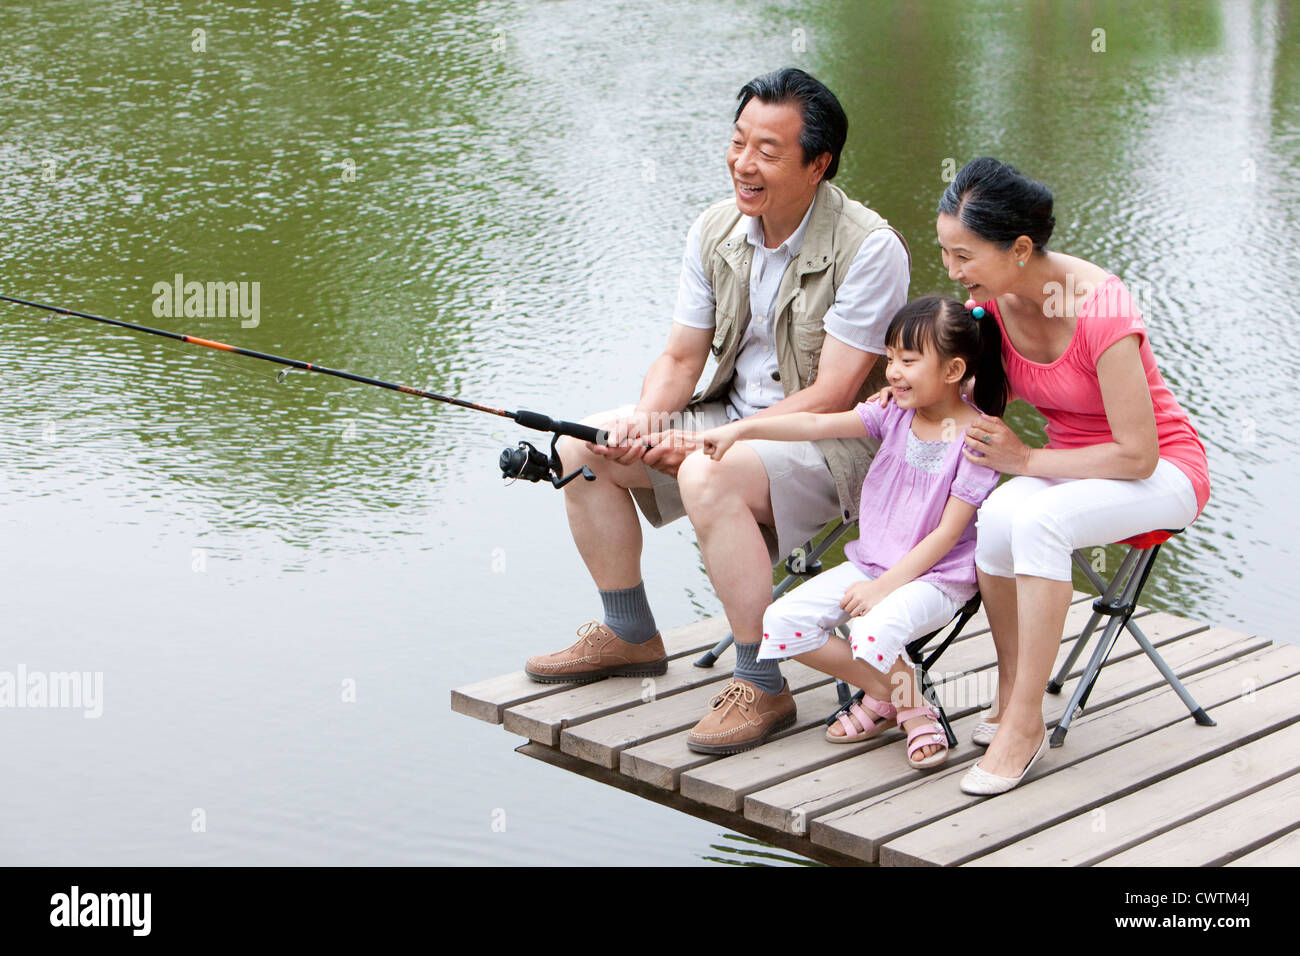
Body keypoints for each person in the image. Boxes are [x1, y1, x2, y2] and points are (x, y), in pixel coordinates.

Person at [523, 67, 910, 755]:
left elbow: (832, 394)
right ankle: (630, 633)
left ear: (818, 164)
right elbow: (680, 358)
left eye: (767, 150)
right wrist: (645, 420)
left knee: (707, 476)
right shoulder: (715, 228)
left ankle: (762, 683)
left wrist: (716, 444)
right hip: (731, 418)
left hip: (831, 443)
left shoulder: (869, 249)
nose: (743, 164)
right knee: (582, 447)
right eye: (738, 143)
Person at [931, 157, 1210, 795]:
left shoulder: (1101, 309)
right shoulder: (994, 308)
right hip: (1074, 465)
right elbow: (974, 401)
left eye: (964, 255)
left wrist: (1024, 461)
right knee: (999, 514)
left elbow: (1137, 455)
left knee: (1040, 518)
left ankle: (1026, 724)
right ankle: (1009, 696)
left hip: (1161, 469)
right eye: (946, 253)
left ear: (1021, 249)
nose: (953, 272)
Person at [694, 297, 1002, 765]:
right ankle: (899, 698)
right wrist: (743, 431)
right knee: (778, 623)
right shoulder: (893, 413)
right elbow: (816, 423)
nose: (893, 372)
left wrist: (882, 588)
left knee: (869, 631)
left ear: (954, 369)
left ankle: (915, 714)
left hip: (935, 577)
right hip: (872, 563)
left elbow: (946, 535)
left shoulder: (976, 441)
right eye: (891, 358)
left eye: (909, 361)